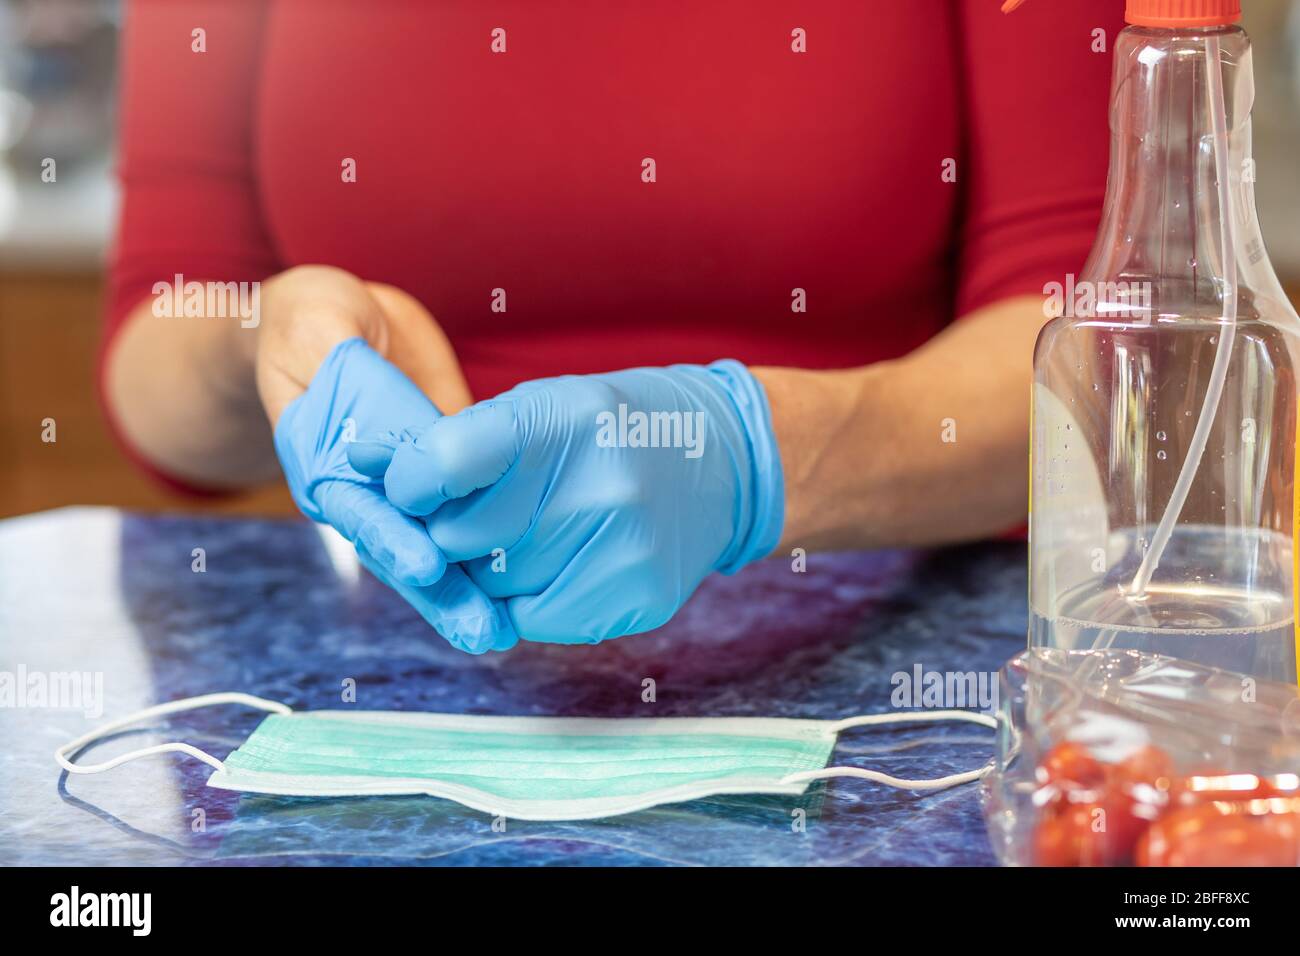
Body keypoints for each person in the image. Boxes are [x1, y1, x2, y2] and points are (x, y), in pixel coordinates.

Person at [102, 0, 1126, 652]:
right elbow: (159, 337)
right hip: (405, 653)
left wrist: (756, 457)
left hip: (889, 637)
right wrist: (273, 345)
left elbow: (1090, 351)